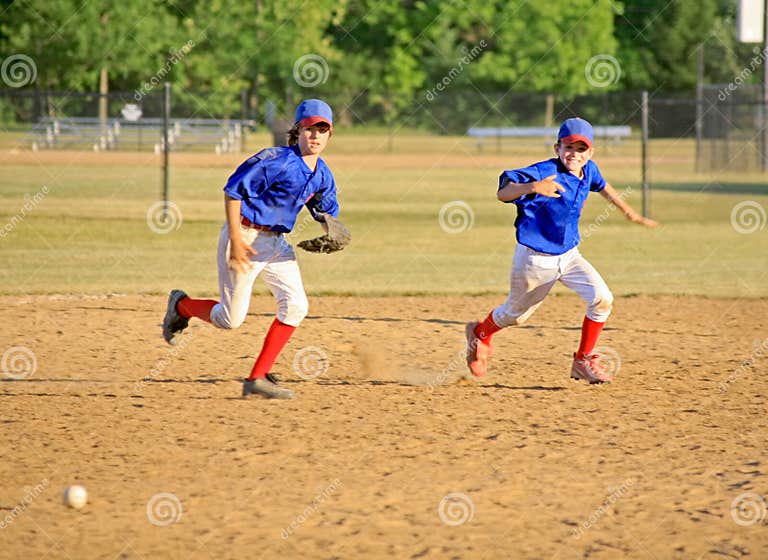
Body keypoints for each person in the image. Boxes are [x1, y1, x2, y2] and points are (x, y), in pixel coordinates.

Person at [162, 99, 340, 399]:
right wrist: (236, 240)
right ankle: (181, 306)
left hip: (276, 244)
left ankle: (256, 378)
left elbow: (324, 210)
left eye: (323, 129)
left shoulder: (322, 173)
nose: (316, 135)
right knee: (230, 320)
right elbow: (233, 191)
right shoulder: (276, 160)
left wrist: (333, 232)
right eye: (310, 128)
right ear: (297, 131)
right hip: (244, 234)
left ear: (330, 135)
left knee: (296, 306)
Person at [465, 117, 657, 383]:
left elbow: (602, 186)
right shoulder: (544, 171)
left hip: (569, 256)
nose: (574, 154)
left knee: (602, 299)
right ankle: (481, 333)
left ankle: (583, 360)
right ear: (557, 148)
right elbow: (503, 193)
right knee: (514, 316)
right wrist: (533, 187)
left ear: (590, 153)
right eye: (568, 147)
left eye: (581, 149)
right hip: (534, 260)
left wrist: (630, 213)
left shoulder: (589, 170)